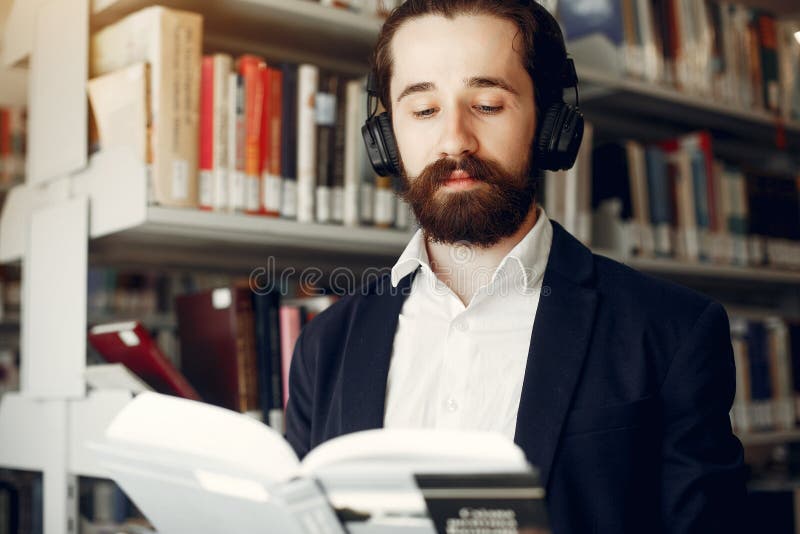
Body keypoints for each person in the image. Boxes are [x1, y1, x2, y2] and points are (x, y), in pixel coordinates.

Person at [285, 1, 747, 532]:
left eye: (487, 104)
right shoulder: (325, 345)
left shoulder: (671, 332)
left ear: (548, 125)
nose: (454, 139)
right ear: (387, 140)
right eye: (423, 110)